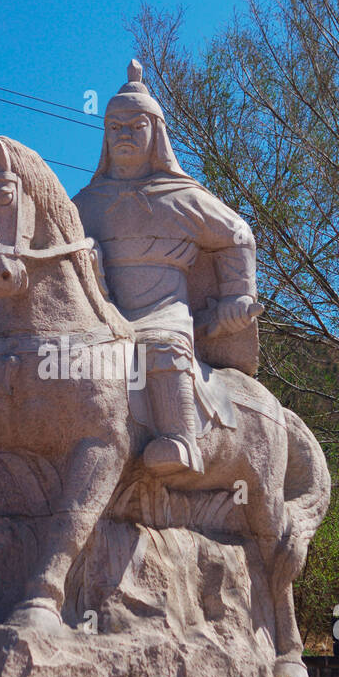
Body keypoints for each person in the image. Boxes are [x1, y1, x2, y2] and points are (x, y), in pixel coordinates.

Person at [74, 61, 260, 477]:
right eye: (115, 126)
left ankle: (180, 439)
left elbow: (238, 234)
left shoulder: (181, 196)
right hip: (102, 317)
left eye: (134, 125)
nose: (123, 133)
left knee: (159, 344)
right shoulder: (86, 203)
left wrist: (237, 295)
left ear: (155, 132)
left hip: (163, 312)